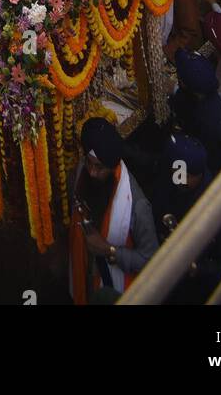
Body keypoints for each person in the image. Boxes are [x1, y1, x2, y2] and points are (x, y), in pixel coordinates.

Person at [68, 118, 158, 302]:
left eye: (99, 167)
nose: (92, 172)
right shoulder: (81, 173)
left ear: (112, 165)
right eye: (89, 163)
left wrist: (110, 251)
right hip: (85, 273)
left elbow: (151, 260)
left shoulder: (137, 204)